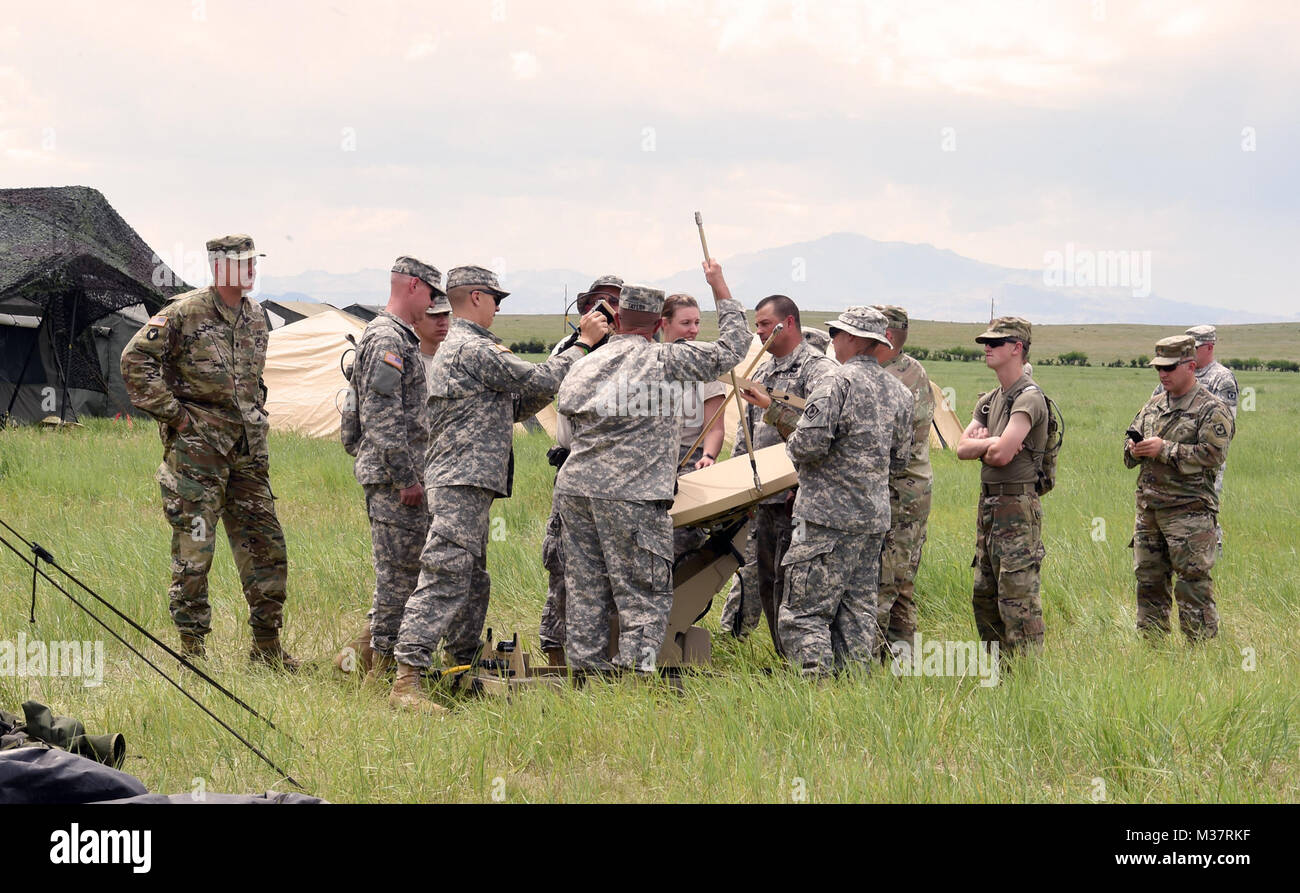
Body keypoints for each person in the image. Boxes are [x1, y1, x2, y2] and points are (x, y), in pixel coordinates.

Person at [389, 266, 609, 711]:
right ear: (474, 297)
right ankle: (406, 679)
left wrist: (566, 361)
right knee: (446, 575)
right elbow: (538, 380)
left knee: (472, 579)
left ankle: (460, 666)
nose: (499, 307)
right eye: (496, 298)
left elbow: (516, 403)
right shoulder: (472, 346)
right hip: (461, 479)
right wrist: (583, 344)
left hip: (469, 481)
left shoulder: (468, 349)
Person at [554, 262, 750, 678]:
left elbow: (567, 407)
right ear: (659, 322)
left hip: (577, 491)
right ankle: (634, 682)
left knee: (587, 590)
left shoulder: (588, 361)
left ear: (618, 318)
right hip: (633, 496)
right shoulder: (667, 361)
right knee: (642, 594)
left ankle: (585, 678)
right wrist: (720, 287)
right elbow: (734, 347)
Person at [120, 234, 297, 669]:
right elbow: (133, 360)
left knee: (266, 546)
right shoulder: (184, 312)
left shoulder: (257, 316)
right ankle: (193, 654)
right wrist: (176, 416)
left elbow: (252, 383)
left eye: (255, 260)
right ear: (221, 267)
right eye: (243, 262)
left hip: (247, 454)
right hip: (197, 457)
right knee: (195, 553)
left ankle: (267, 648)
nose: (252, 268)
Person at [761, 307, 911, 675]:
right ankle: (853, 694)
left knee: (804, 613)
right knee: (857, 612)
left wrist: (793, 440)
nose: (832, 339)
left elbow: (806, 445)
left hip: (823, 519)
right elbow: (899, 461)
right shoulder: (900, 392)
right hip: (871, 521)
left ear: (856, 340)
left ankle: (815, 693)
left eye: (837, 333)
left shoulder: (835, 383)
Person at [332, 258, 447, 682]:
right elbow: (382, 417)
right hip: (394, 481)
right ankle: (381, 676)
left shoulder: (395, 336)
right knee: (398, 579)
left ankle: (362, 664)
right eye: (431, 295)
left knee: (402, 573)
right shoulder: (387, 338)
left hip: (396, 477)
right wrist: (406, 479)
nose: (433, 305)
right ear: (413, 286)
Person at [722, 294, 837, 653]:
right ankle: (782, 656)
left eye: (764, 324)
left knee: (794, 582)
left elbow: (819, 434)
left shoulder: (817, 371)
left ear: (787, 323)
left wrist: (772, 407)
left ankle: (802, 658)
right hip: (764, 497)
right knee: (766, 579)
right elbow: (748, 433)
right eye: (755, 325)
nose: (758, 332)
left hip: (797, 497)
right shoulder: (763, 371)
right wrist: (741, 484)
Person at [1125, 335, 1234, 640]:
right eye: (1159, 367)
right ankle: (1153, 650)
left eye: (1170, 367)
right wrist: (1134, 450)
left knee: (1192, 584)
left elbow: (1213, 454)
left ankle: (1200, 655)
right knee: (1149, 581)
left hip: (1190, 513)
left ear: (1190, 365)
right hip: (1149, 512)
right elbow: (1129, 440)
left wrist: (1164, 449)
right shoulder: (1153, 404)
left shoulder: (1211, 409)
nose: (1163, 374)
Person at [538, 276, 623, 666]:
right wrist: (585, 342)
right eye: (601, 303)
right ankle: (557, 650)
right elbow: (561, 388)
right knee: (563, 563)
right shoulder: (571, 349)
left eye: (617, 304)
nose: (608, 311)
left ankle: (607, 651)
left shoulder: (633, 351)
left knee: (613, 567)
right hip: (574, 467)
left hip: (618, 476)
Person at [956, 317, 1048, 656]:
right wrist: (991, 441)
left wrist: (990, 444)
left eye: (996, 342)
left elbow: (1002, 455)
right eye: (985, 342)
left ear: (1017, 348)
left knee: (1018, 601)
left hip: (1017, 508)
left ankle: (1026, 678)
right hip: (990, 508)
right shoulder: (990, 399)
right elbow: (961, 448)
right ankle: (1001, 676)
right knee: (985, 596)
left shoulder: (1029, 398)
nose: (987, 348)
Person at [871, 305, 934, 660]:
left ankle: (875, 664)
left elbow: (891, 443)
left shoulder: (902, 377)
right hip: (903, 493)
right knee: (898, 584)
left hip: (901, 496)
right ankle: (900, 665)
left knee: (886, 583)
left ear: (888, 336)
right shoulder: (894, 371)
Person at [1153, 325, 1239, 552]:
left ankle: (1210, 555)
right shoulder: (1173, 372)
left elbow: (1226, 426)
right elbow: (1155, 411)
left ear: (1209, 347)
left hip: (1202, 458)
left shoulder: (1222, 378)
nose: (1189, 352)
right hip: (1168, 460)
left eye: (1196, 348)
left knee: (1203, 511)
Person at [663, 293, 727, 471]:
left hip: (689, 463)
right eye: (686, 323)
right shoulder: (647, 362)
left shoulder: (706, 368)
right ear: (664, 323)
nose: (694, 330)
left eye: (697, 323)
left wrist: (708, 456)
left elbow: (715, 429)